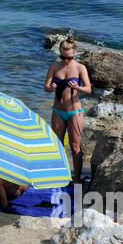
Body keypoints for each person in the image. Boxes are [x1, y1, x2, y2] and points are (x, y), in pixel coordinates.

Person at [45, 37, 92, 182]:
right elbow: (46, 88)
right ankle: (58, 175)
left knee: (75, 145)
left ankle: (76, 178)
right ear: (60, 52)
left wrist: (77, 87)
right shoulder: (54, 66)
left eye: (69, 57)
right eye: (63, 57)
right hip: (58, 110)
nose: (66, 60)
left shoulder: (80, 67)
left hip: (74, 111)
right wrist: (50, 87)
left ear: (75, 53)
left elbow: (88, 89)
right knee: (57, 145)